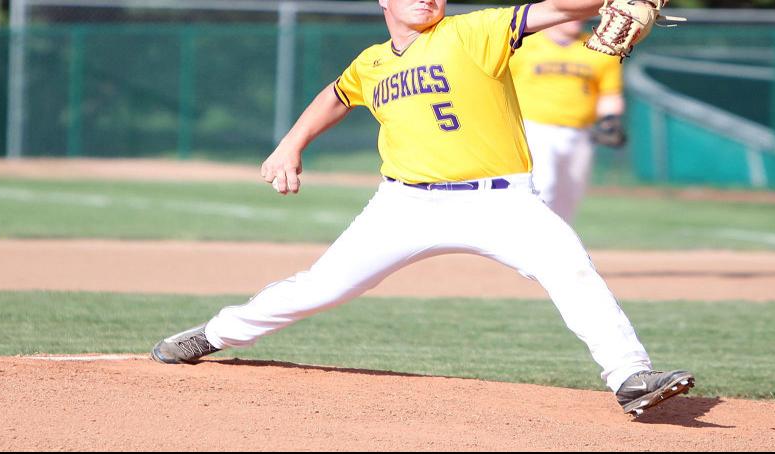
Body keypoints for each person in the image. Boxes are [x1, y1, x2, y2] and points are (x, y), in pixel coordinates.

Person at [151, 0, 694, 417]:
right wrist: (291, 144)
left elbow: (553, 8)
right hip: (404, 204)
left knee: (570, 268)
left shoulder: (471, 32)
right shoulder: (372, 62)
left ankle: (631, 377)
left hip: (501, 200)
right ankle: (216, 334)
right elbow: (336, 95)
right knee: (321, 288)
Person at [509, 17, 623, 222]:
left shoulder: (599, 48)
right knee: (544, 185)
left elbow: (609, 93)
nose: (578, 18)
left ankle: (556, 246)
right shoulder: (523, 46)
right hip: (534, 128)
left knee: (569, 196)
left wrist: (610, 121)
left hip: (580, 133)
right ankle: (534, 240)